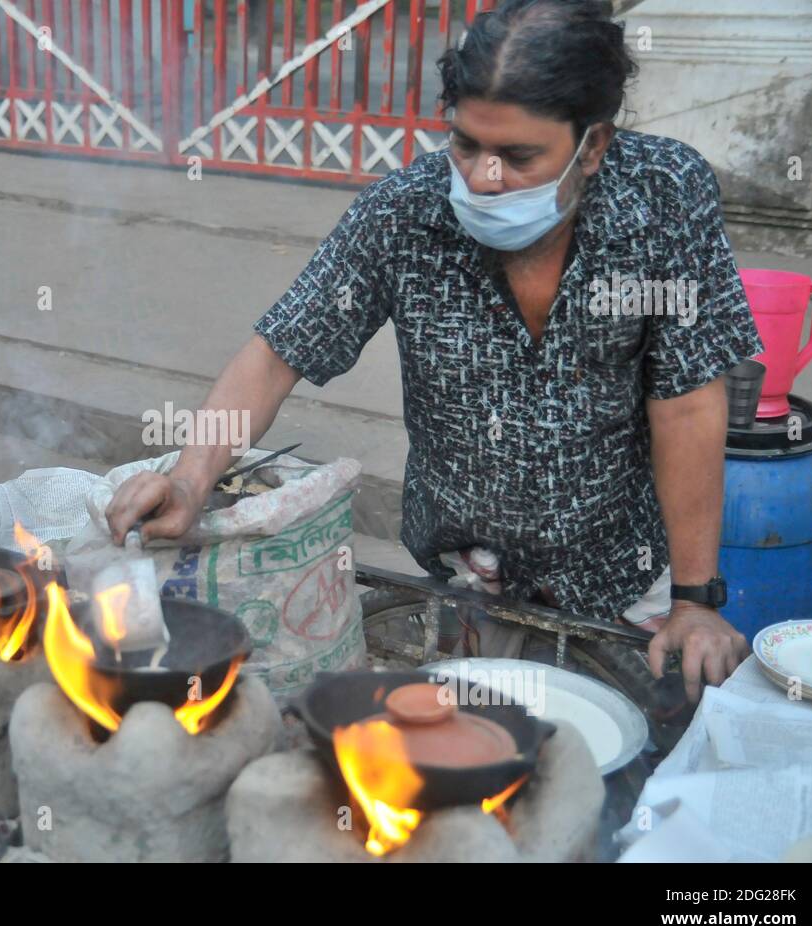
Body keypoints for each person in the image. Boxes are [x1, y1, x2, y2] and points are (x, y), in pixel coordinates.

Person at [105, 0, 760, 703]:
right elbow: (276, 354)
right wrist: (190, 477)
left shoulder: (664, 198)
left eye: (518, 156)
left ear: (593, 146)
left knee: (626, 768)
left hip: (624, 574)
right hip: (469, 581)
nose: (483, 176)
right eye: (466, 144)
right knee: (480, 762)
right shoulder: (406, 213)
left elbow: (688, 402)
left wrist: (694, 599)